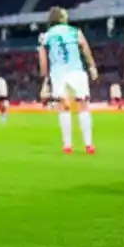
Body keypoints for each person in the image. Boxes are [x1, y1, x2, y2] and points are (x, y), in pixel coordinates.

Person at [37, 8, 97, 154]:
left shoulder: (46, 36)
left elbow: (43, 59)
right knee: (83, 106)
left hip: (58, 74)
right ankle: (88, 144)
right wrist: (92, 66)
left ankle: (68, 145)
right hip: (77, 71)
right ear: (62, 17)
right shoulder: (75, 31)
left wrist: (45, 78)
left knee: (63, 108)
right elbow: (85, 47)